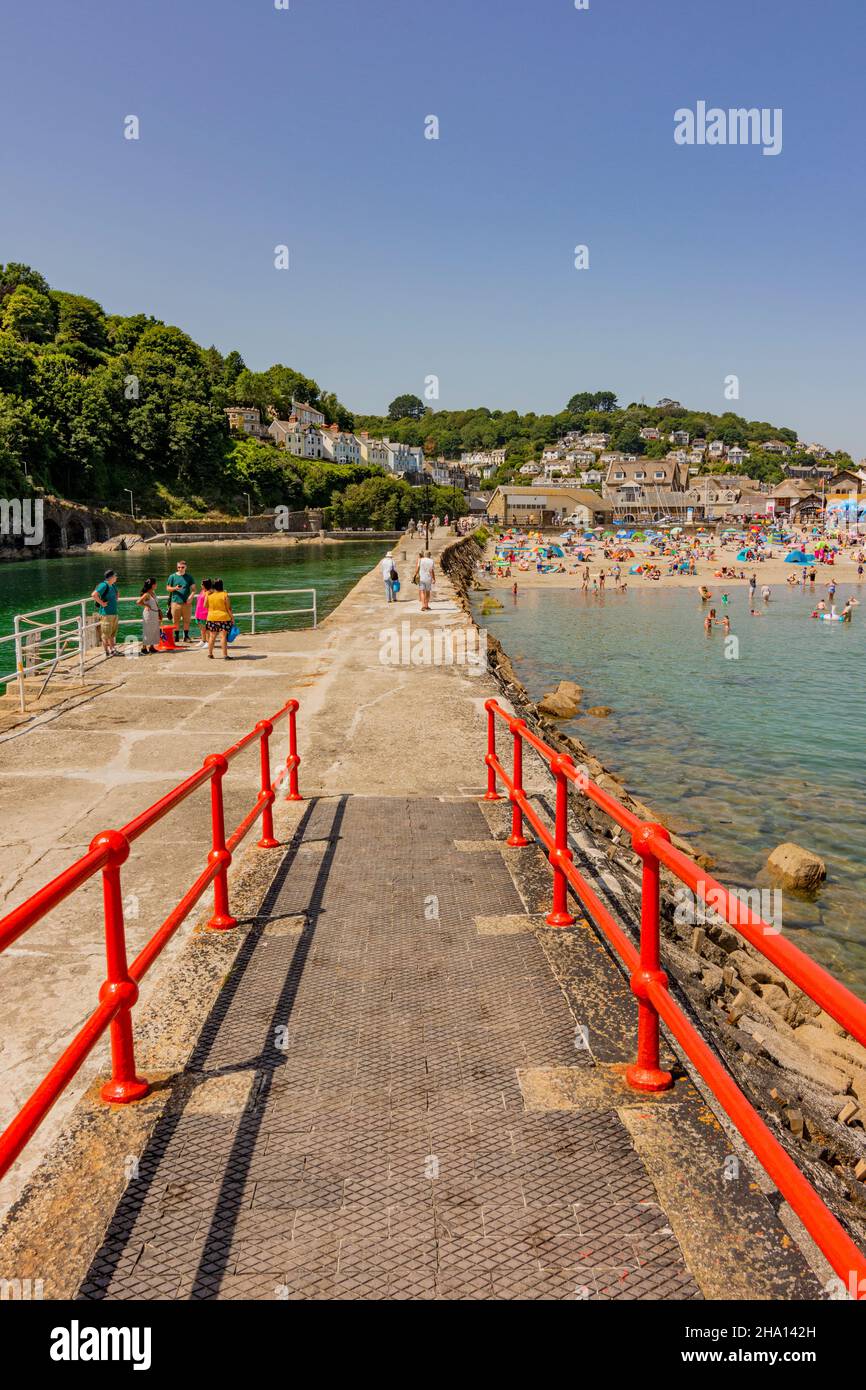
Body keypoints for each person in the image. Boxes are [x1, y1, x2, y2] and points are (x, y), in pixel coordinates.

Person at [166, 560, 196, 643]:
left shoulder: (189, 577)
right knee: (175, 621)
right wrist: (175, 588)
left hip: (186, 603)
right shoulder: (172, 576)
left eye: (182, 567)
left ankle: (186, 637)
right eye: (178, 567)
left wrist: (191, 597)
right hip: (175, 603)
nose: (180, 569)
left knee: (187, 620)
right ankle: (176, 637)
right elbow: (168, 588)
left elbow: (193, 590)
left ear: (185, 567)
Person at [204, 578, 234, 660]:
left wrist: (207, 594)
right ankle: (225, 655)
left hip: (211, 617)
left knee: (212, 636)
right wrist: (232, 618)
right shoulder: (224, 594)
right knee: (223, 637)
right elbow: (229, 608)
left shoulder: (209, 595)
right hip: (223, 617)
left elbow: (205, 606)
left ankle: (210, 654)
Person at [92, 569, 120, 655]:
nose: (116, 577)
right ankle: (106, 651)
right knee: (105, 634)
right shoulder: (103, 585)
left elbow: (117, 594)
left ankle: (112, 649)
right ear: (111, 577)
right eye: (115, 576)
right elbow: (94, 594)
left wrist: (115, 597)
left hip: (114, 613)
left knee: (112, 634)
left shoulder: (113, 585)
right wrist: (102, 603)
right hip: (106, 614)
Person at [136, 577, 162, 654]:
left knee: (154, 629)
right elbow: (138, 602)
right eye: (155, 583)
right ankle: (143, 648)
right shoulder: (147, 594)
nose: (156, 585)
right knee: (147, 630)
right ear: (152, 585)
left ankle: (151, 647)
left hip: (154, 613)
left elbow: (156, 604)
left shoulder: (153, 593)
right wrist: (146, 605)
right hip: (148, 614)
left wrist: (159, 612)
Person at [194, 579, 213, 644]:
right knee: (201, 628)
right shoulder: (202, 591)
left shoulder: (209, 592)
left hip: (205, 613)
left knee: (207, 629)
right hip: (198, 612)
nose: (201, 585)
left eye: (202, 584)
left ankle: (208, 642)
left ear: (206, 585)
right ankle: (203, 640)